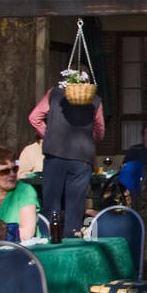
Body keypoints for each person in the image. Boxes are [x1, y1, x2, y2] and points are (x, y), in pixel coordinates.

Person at [29, 81, 105, 237]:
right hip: (81, 158)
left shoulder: (54, 93)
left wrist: (49, 135)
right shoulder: (95, 99)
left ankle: (45, 240)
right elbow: (100, 130)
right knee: (75, 207)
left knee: (50, 204)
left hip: (55, 156)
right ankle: (72, 242)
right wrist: (88, 141)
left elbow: (34, 117)